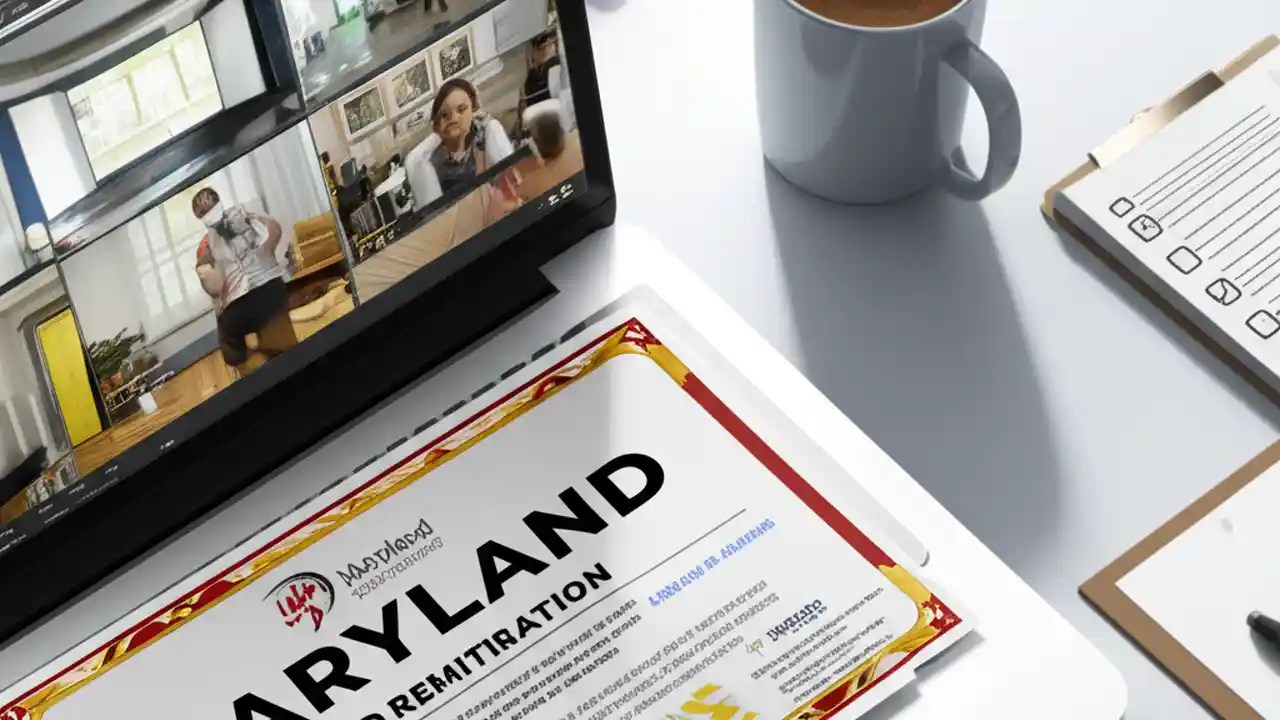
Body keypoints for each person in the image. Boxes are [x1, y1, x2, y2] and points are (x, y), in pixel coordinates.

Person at [192, 188, 297, 374]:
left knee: (230, 343)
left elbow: (215, 287)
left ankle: (253, 364)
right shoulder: (247, 214)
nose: (207, 214)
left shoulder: (206, 245)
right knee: (283, 340)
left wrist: (204, 269)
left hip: (240, 309)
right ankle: (281, 356)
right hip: (272, 293)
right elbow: (274, 234)